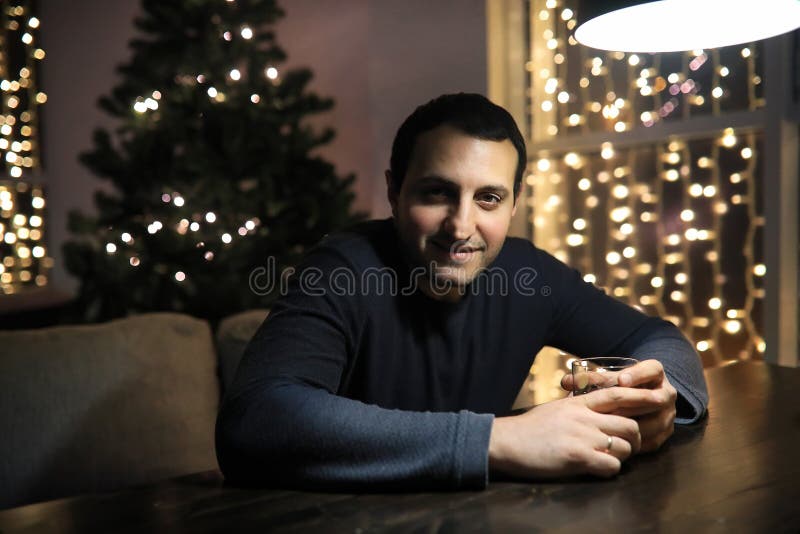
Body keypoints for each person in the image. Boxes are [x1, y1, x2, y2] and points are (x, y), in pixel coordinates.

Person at [215, 93, 708, 490]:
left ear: (514, 203)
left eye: (488, 198)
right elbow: (256, 418)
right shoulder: (342, 268)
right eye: (437, 193)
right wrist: (497, 440)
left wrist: (655, 398)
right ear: (394, 192)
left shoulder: (529, 273)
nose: (460, 226)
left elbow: (659, 338)